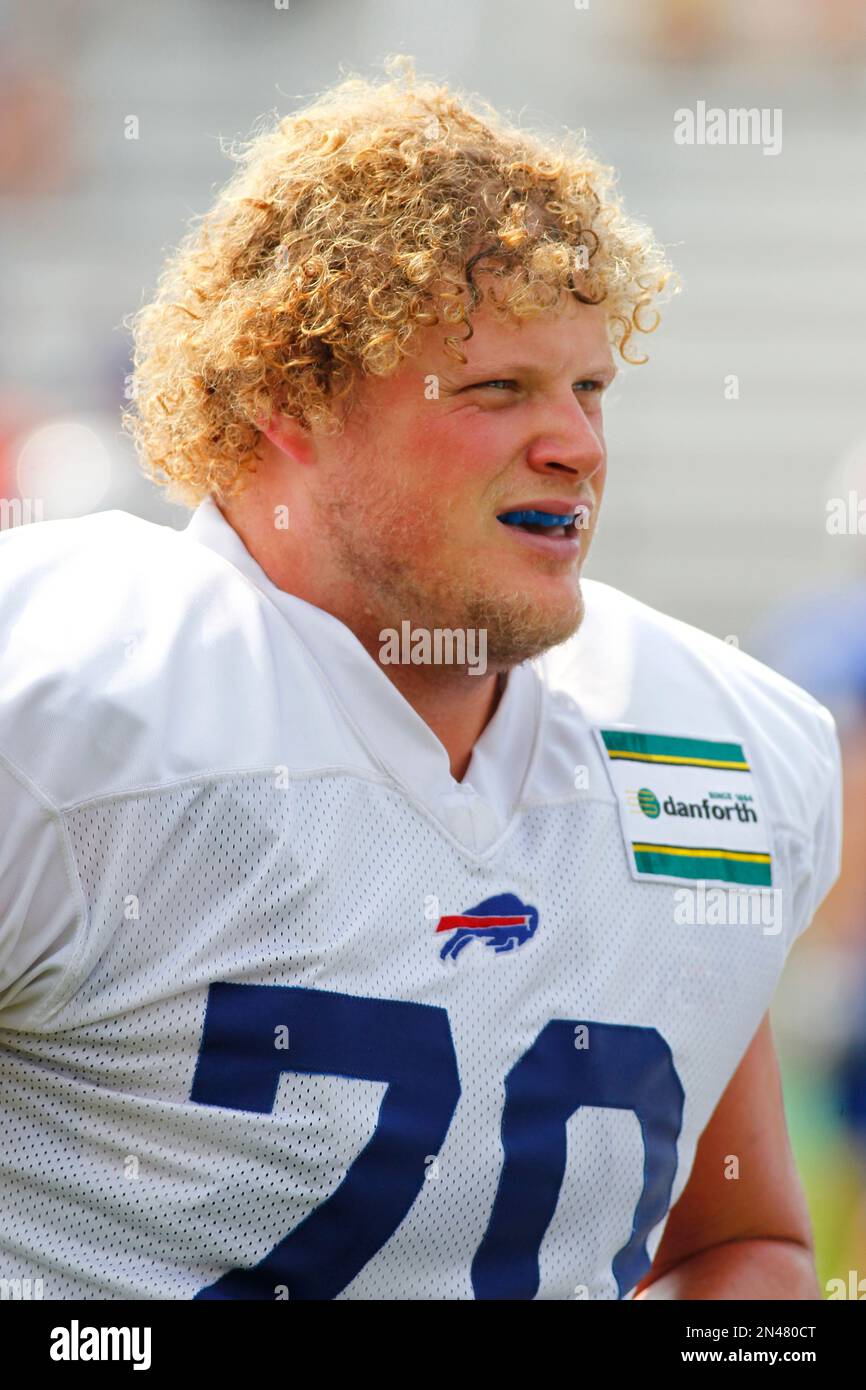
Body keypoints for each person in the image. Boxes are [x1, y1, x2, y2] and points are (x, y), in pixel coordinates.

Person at [0, 55, 842, 1300]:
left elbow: (735, 1246)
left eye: (589, 387)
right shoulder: (62, 705)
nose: (576, 444)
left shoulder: (710, 742)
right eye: (497, 388)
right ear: (292, 401)